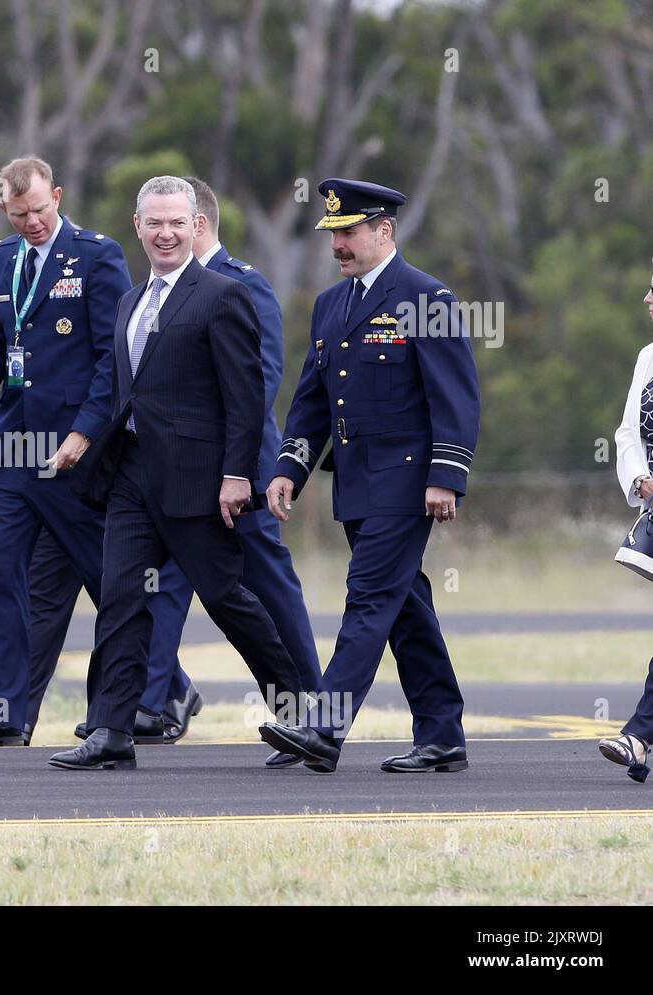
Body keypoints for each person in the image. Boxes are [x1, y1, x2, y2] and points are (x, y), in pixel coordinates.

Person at [49, 176, 303, 771]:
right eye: (154, 223)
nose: (165, 233)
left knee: (225, 598)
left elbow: (246, 397)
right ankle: (113, 732)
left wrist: (237, 475)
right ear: (137, 226)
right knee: (119, 600)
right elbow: (122, 390)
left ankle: (302, 712)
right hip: (132, 479)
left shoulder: (222, 295)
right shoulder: (129, 302)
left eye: (176, 223)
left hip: (198, 481)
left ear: (196, 227)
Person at [258, 178, 481, 774]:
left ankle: (325, 729)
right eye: (333, 233)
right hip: (355, 484)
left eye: (349, 232)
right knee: (404, 606)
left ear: (384, 230)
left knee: (369, 598)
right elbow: (312, 400)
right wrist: (288, 468)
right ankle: (443, 736)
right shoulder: (333, 305)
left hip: (407, 485)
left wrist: (446, 477)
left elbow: (456, 398)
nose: (339, 245)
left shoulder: (426, 299)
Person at [0, 156, 131, 747]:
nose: (33, 222)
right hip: (12, 440)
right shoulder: (1, 258)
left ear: (60, 197)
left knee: (109, 578)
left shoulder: (98, 256)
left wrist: (86, 432)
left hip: (75, 446)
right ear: (5, 209)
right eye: (21, 214)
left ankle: (161, 689)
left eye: (41, 210)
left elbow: (113, 357)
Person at [599, 267, 653, 781]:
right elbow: (627, 431)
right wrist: (641, 479)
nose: (646, 297)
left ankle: (639, 737)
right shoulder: (647, 356)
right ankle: (638, 738)